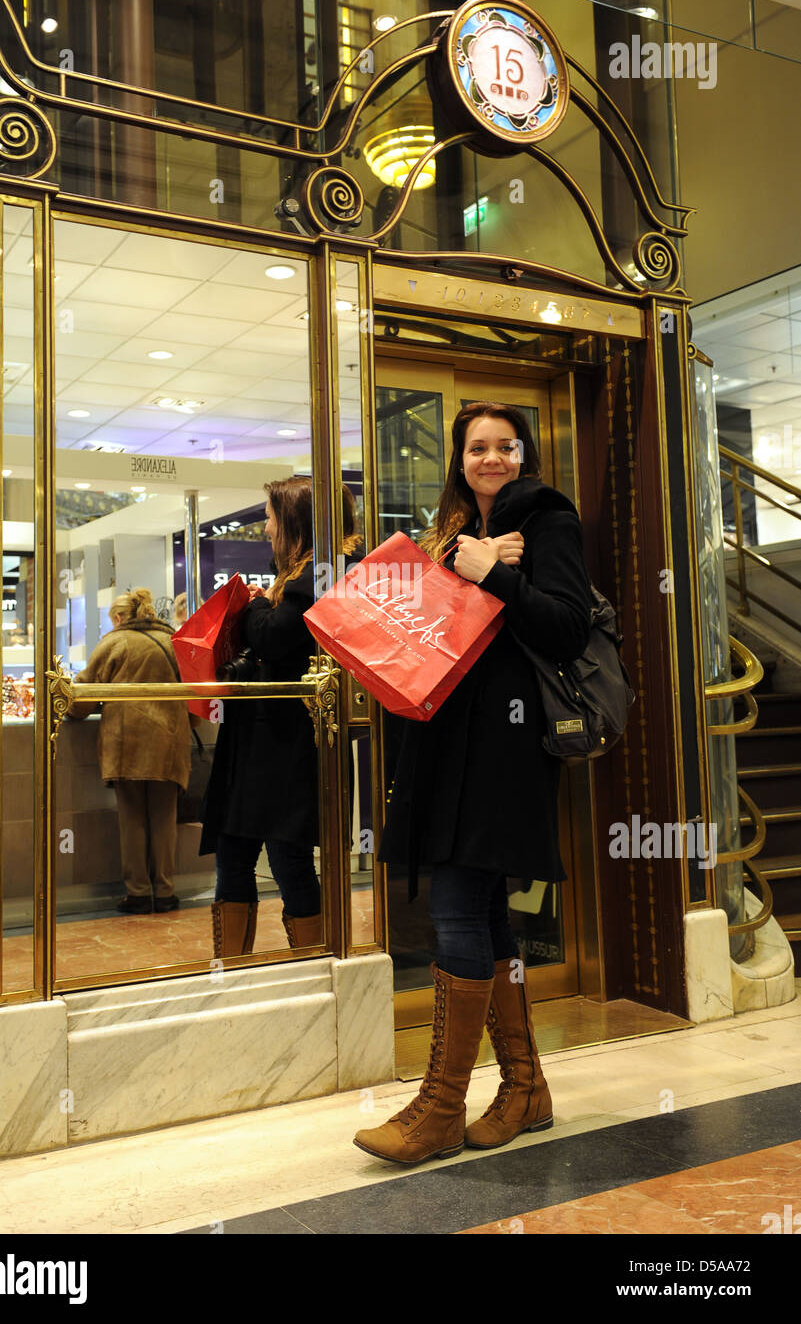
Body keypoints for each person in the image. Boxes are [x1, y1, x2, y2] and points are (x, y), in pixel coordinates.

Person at [354, 402, 592, 1165]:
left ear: (522, 453)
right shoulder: (451, 534)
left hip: (507, 750)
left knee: (458, 904)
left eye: (503, 446)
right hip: (449, 748)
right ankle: (524, 1085)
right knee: (484, 909)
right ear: (458, 458)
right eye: (475, 447)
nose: (489, 458)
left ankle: (439, 1107)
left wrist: (495, 575)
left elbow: (565, 628)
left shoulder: (548, 519)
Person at [199, 477, 362, 956]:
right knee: (234, 852)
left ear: (295, 519)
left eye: (270, 516)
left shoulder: (326, 571)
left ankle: (314, 967)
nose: (266, 527)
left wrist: (248, 607)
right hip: (260, 741)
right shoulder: (305, 572)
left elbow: (274, 638)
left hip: (286, 742)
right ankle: (232, 969)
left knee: (287, 855)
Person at [69, 587, 192, 914]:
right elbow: (195, 692)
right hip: (169, 742)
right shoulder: (173, 642)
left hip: (127, 744)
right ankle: (165, 893)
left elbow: (83, 695)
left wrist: (68, 709)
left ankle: (138, 893)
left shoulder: (113, 643)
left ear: (120, 617)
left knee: (132, 819)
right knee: (165, 819)